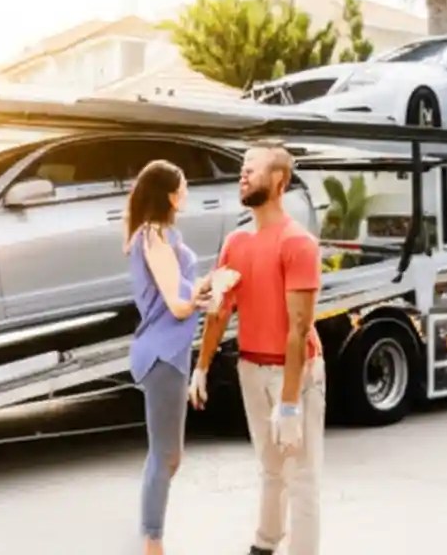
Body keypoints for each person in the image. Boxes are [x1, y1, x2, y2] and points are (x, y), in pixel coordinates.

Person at [191, 142, 326, 555]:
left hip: (296, 373)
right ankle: (265, 545)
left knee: (301, 476)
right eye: (242, 170)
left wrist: (288, 404)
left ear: (279, 181)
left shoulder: (297, 243)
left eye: (253, 169)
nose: (243, 175)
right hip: (250, 367)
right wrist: (202, 366)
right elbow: (219, 309)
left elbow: (299, 326)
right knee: (270, 468)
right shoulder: (235, 242)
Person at [124, 159, 212, 555]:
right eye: (184, 186)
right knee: (166, 454)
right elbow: (177, 305)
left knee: (168, 455)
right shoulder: (154, 235)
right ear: (171, 195)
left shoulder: (163, 235)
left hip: (169, 350)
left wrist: (205, 289)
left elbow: (180, 295)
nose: (188, 192)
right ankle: (152, 543)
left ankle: (151, 537)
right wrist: (199, 295)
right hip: (162, 352)